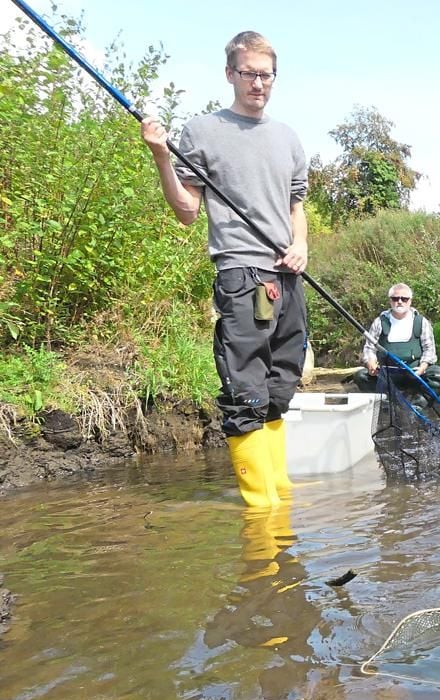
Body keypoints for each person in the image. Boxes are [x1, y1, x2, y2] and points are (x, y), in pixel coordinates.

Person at [140, 31, 308, 508]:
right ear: (230, 74)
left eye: (266, 74)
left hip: (289, 276)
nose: (258, 83)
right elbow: (187, 211)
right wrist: (159, 154)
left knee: (282, 384)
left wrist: (301, 245)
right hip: (242, 274)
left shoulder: (288, 138)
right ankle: (260, 513)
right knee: (246, 391)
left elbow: (297, 205)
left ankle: (283, 499)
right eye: (249, 73)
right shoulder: (201, 132)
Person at [354, 283, 440, 405]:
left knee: (439, 374)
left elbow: (429, 350)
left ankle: (418, 406)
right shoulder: (379, 322)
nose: (399, 302)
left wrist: (422, 367)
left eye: (404, 299)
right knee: (361, 376)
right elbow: (369, 348)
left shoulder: (421, 322)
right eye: (395, 298)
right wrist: (371, 363)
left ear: (410, 301)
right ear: (390, 301)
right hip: (387, 375)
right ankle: (387, 405)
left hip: (415, 373)